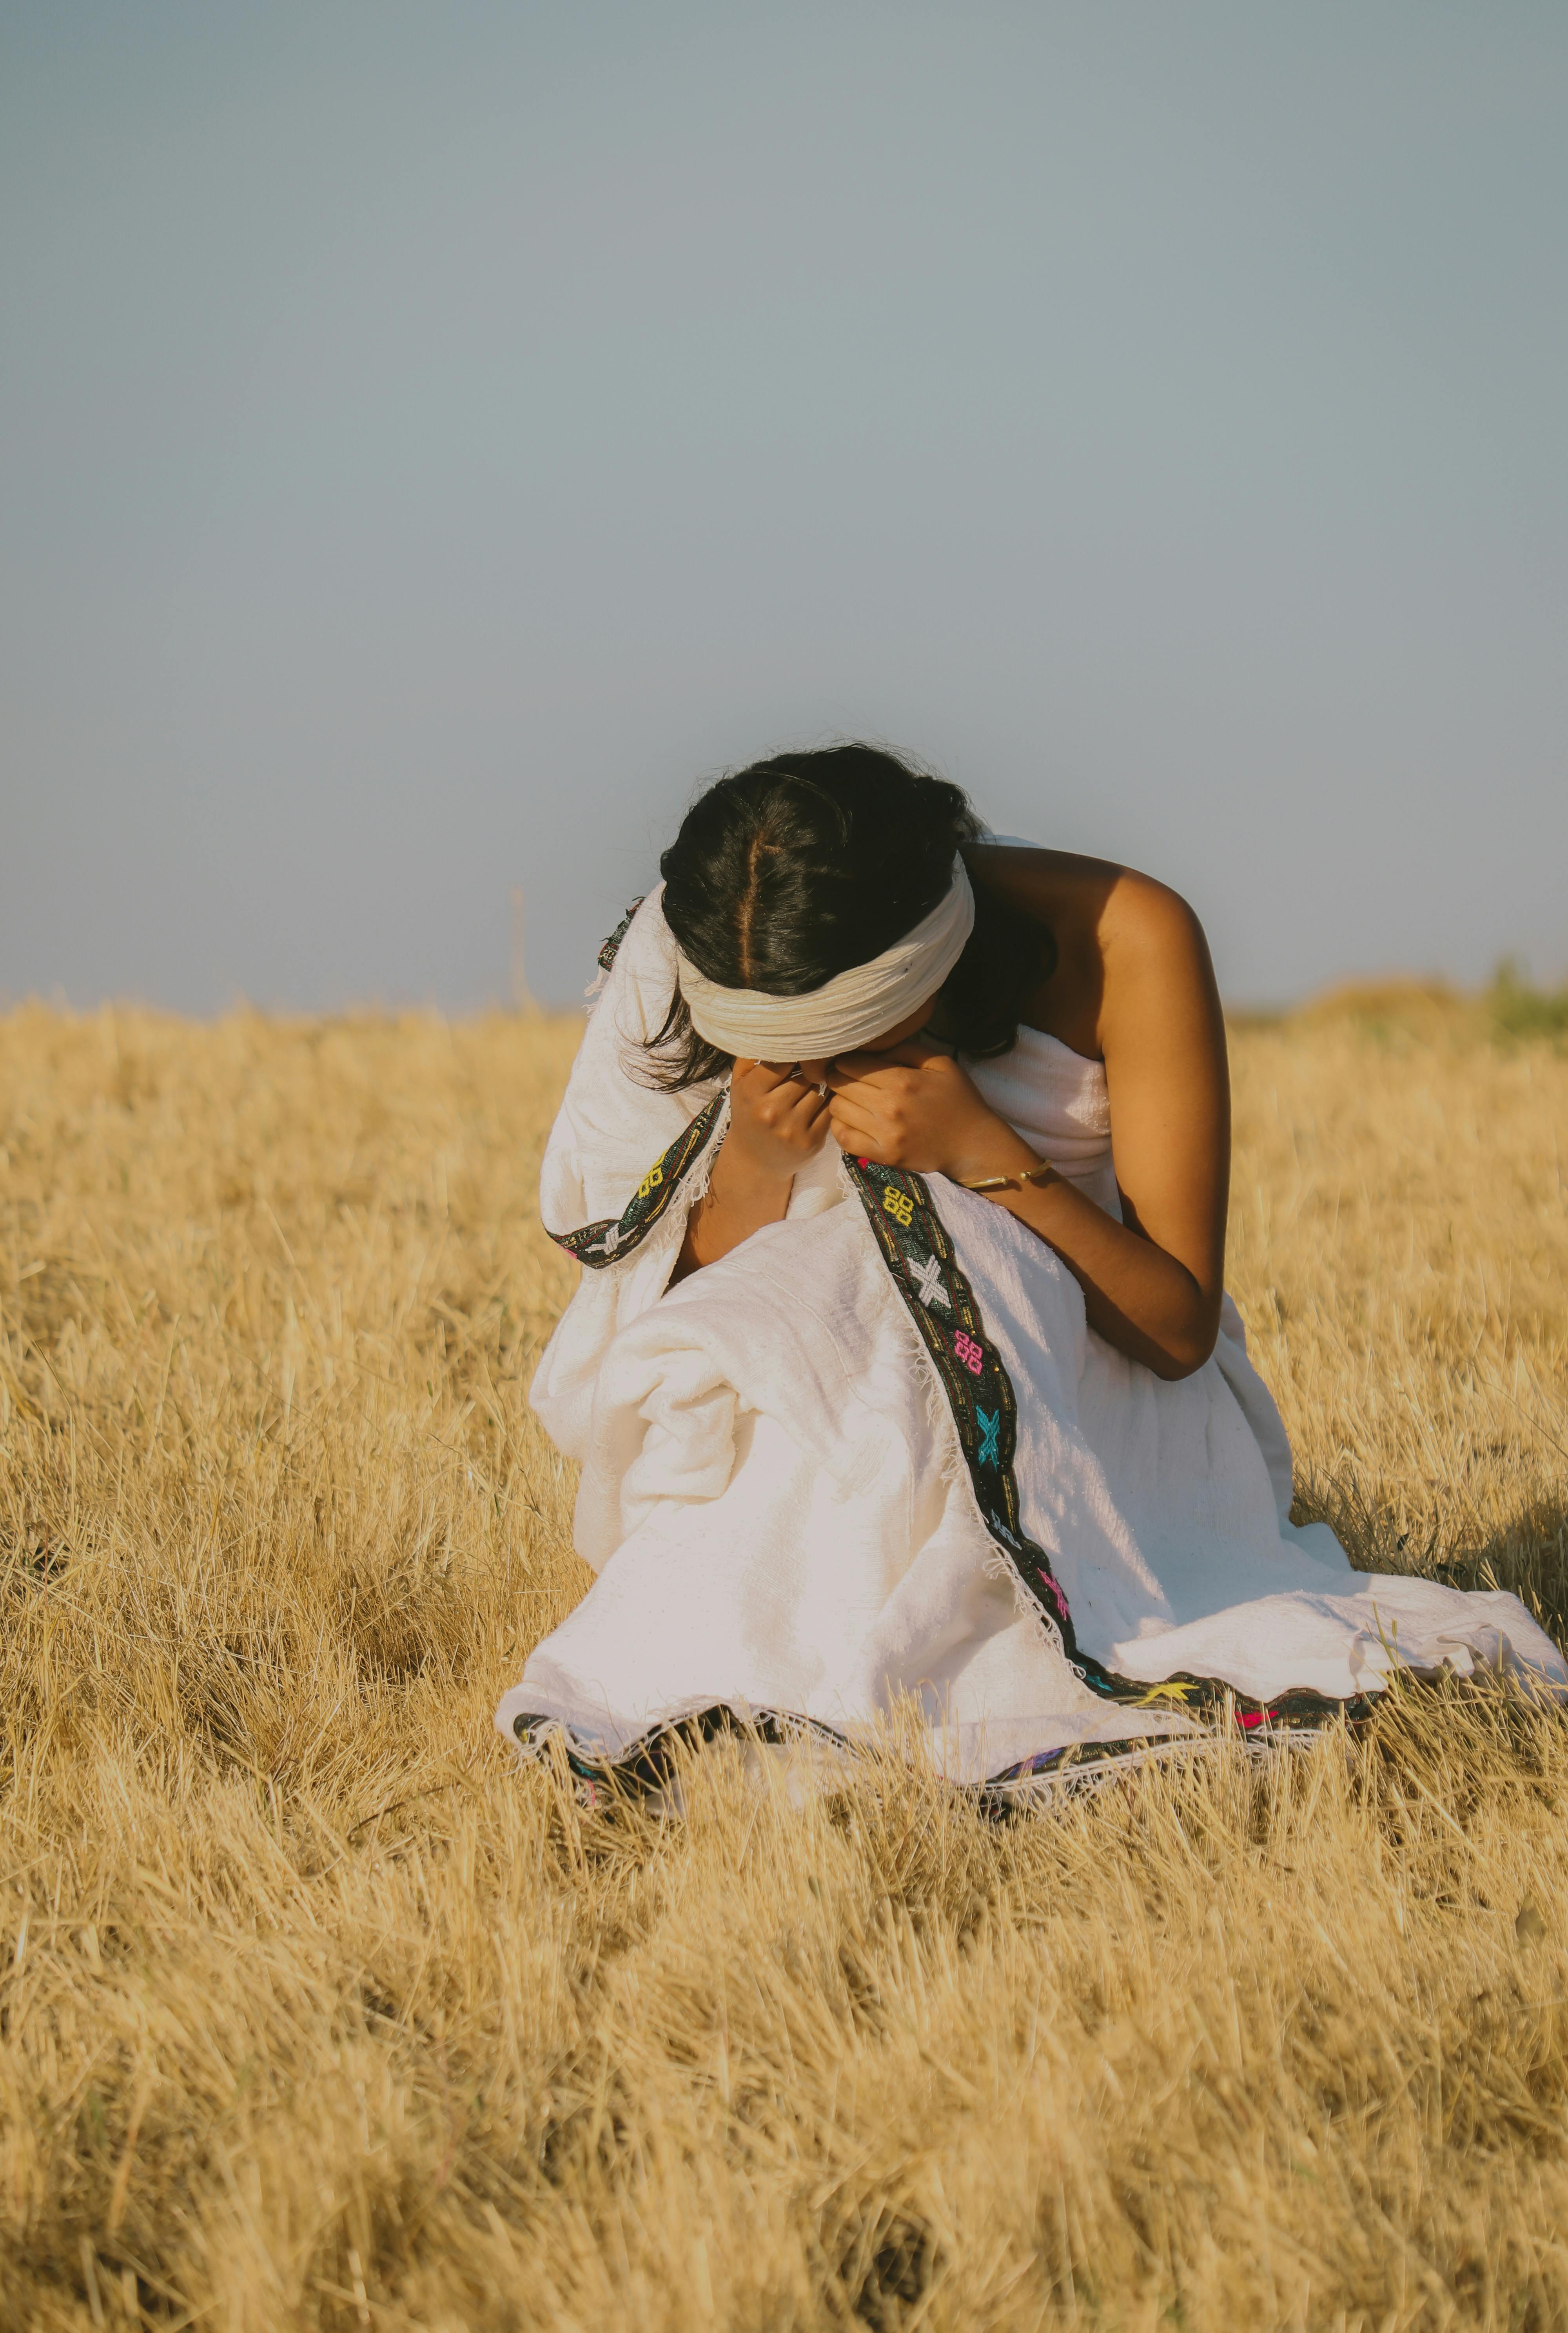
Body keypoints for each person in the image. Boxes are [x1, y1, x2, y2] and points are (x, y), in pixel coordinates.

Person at [497, 747, 1562, 1800]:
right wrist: (752, 1169)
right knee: (832, 1303)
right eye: (779, 1044)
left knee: (891, 1316)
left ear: (927, 957)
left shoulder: (1128, 935)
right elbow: (656, 1324)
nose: (814, 1066)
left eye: (845, 1028)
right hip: (791, 1408)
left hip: (1085, 1395)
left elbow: (1177, 1331)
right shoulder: (699, 945)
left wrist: (983, 1153)